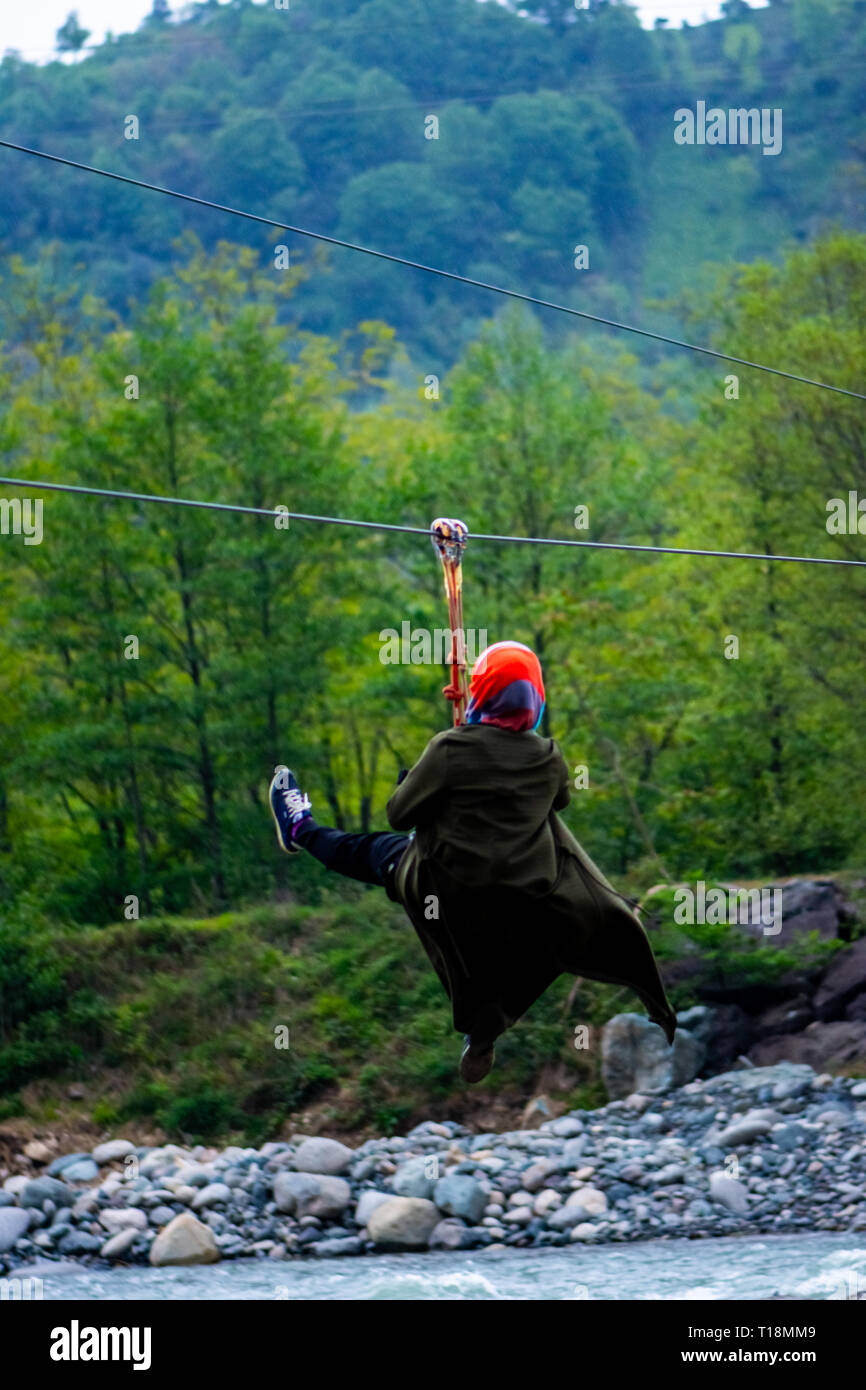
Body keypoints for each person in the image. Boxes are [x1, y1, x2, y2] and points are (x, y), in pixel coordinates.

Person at [269, 640, 676, 1083]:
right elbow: (557, 799)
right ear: (536, 700)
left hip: (446, 886)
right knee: (530, 946)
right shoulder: (549, 757)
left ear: (481, 696)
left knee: (364, 850)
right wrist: (478, 728)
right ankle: (484, 1034)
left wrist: (456, 739)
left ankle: (299, 828)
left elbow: (400, 813)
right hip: (526, 892)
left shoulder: (449, 749)